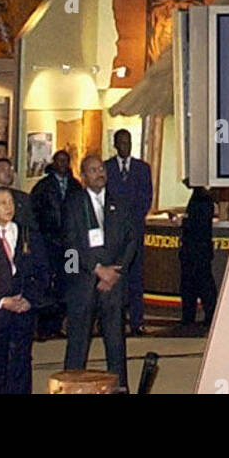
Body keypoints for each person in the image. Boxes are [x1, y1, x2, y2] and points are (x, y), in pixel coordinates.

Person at [63, 154, 137, 390]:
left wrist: (115, 272)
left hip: (113, 282)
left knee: (116, 343)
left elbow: (132, 240)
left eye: (102, 169)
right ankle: (71, 388)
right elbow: (70, 243)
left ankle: (120, 388)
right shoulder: (73, 203)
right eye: (93, 170)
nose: (100, 173)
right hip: (84, 283)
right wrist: (96, 269)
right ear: (83, 177)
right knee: (78, 344)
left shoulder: (121, 201)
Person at [0, 188, 49, 395]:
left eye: (11, 202)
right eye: (2, 203)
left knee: (21, 361)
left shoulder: (27, 233)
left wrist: (29, 299)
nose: (8, 207)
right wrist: (1, 300)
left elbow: (42, 271)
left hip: (23, 309)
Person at [104, 129, 153, 336]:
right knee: (115, 276)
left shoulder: (142, 168)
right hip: (114, 233)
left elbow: (146, 197)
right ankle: (113, 320)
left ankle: (137, 320)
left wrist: (133, 222)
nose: (126, 146)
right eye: (122, 143)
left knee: (136, 276)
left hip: (135, 230)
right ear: (115, 145)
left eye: (128, 142)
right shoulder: (107, 168)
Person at [30, 150, 81, 338]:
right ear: (54, 162)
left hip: (71, 246)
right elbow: (34, 214)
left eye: (65, 161)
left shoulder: (76, 186)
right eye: (59, 160)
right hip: (50, 242)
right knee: (48, 283)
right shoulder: (43, 187)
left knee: (71, 279)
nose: (62, 164)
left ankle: (65, 323)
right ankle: (47, 326)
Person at [179, 184, 218, 333]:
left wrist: (183, 222)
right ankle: (191, 316)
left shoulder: (202, 200)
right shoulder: (202, 199)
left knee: (201, 284)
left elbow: (198, 225)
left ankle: (200, 316)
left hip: (197, 249)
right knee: (193, 284)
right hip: (197, 249)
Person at [0, 157, 37, 233]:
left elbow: (32, 225)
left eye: (10, 169)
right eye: (2, 169)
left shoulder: (23, 197)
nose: (8, 172)